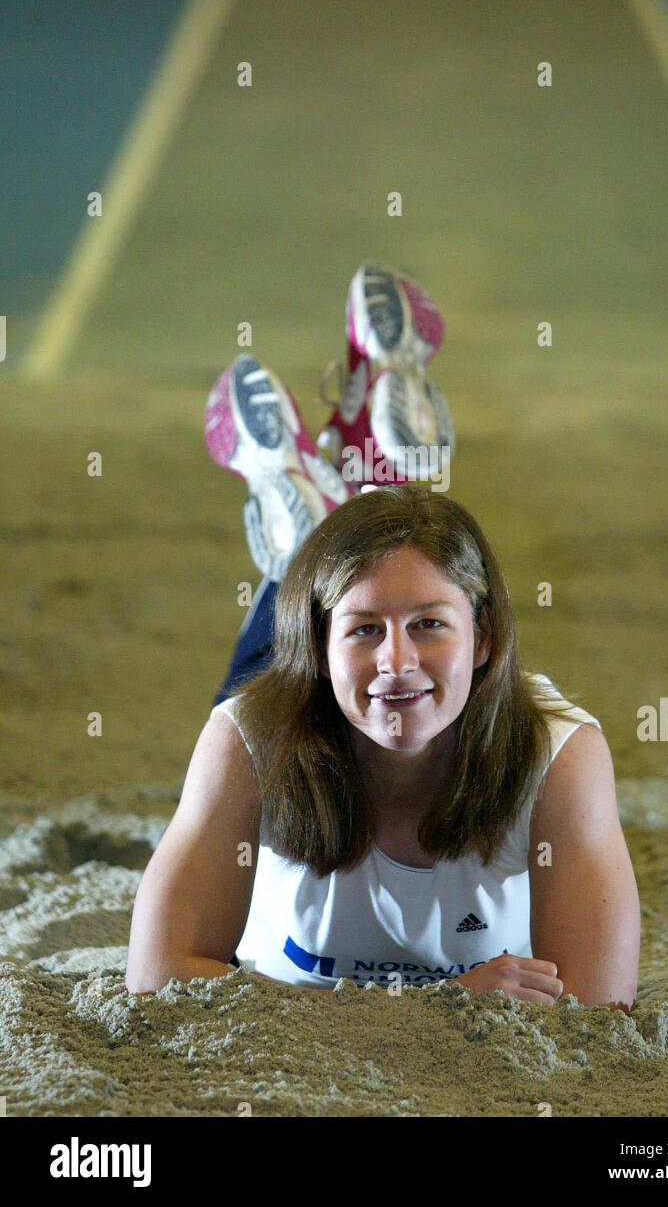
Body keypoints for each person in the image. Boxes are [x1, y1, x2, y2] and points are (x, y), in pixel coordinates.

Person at [126, 262, 640, 1009]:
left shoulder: (558, 756)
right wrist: (438, 1006)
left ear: (486, 637)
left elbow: (601, 1010)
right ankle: (331, 528)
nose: (396, 663)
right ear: (322, 646)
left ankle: (334, 512)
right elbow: (153, 979)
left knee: (344, 588)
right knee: (284, 658)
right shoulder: (245, 742)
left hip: (295, 981)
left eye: (429, 625)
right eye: (365, 632)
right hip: (300, 694)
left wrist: (323, 1012)